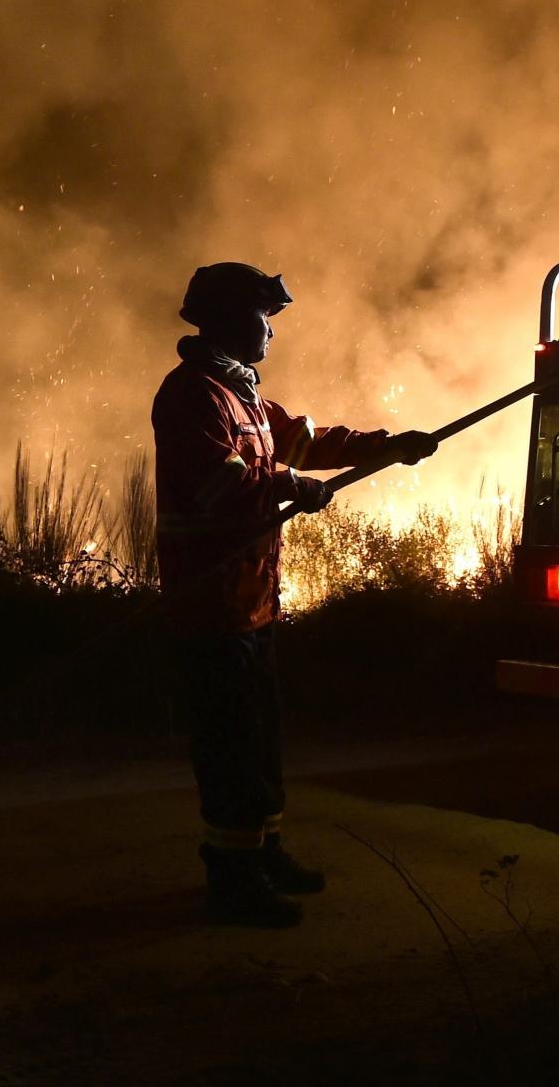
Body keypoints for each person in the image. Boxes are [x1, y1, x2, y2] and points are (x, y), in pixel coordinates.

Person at [152, 262, 437, 928]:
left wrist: (389, 446)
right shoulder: (192, 395)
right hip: (210, 607)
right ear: (225, 318)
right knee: (231, 750)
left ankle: (265, 851)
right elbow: (218, 485)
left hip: (250, 603)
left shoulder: (245, 397)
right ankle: (232, 879)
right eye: (263, 317)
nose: (272, 332)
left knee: (262, 741)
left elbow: (308, 442)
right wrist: (287, 486)